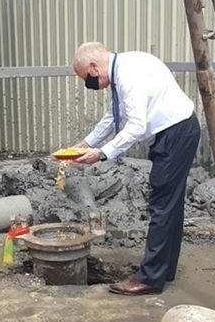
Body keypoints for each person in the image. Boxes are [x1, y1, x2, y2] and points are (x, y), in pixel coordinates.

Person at [70, 42, 201, 295]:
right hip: (177, 131)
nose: (90, 86)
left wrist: (102, 153)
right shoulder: (123, 70)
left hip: (175, 134)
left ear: (94, 67)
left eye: (87, 79)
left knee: (162, 205)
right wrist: (85, 144)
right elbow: (113, 117)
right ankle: (163, 269)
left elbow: (137, 126)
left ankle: (150, 278)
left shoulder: (129, 75)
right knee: (170, 204)